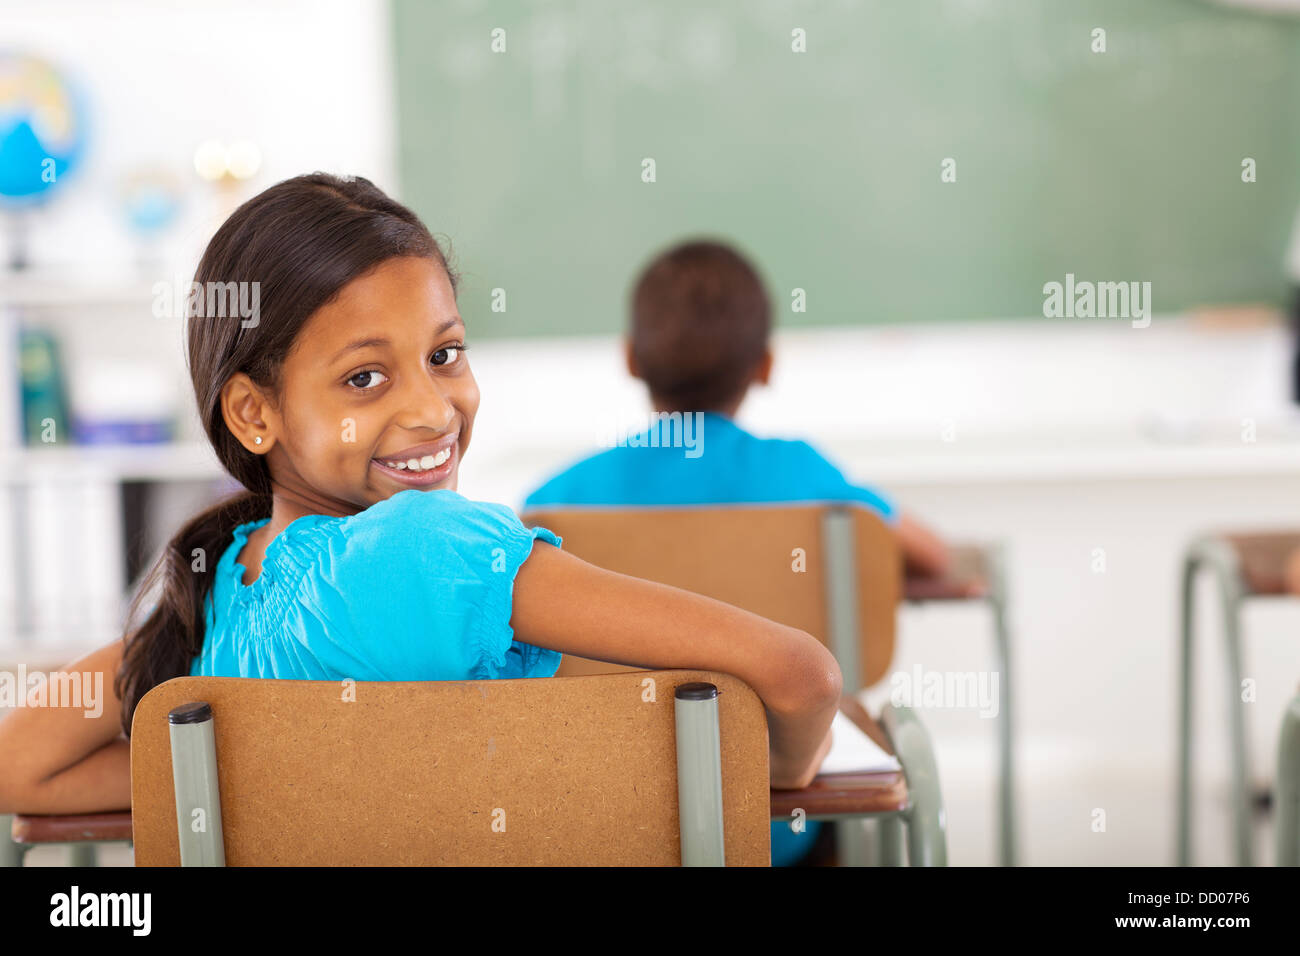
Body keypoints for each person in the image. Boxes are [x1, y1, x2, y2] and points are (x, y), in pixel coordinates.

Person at [0, 176, 840, 825]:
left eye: (445, 355)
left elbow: (21, 763)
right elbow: (800, 675)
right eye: (364, 378)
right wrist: (784, 772)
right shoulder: (439, 549)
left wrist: (225, 790)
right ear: (254, 412)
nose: (433, 411)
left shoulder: (216, 590)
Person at [524, 239, 953, 864]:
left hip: (610, 822)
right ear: (766, 364)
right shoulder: (808, 480)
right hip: (787, 816)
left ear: (630, 359)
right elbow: (933, 557)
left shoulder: (555, 504)